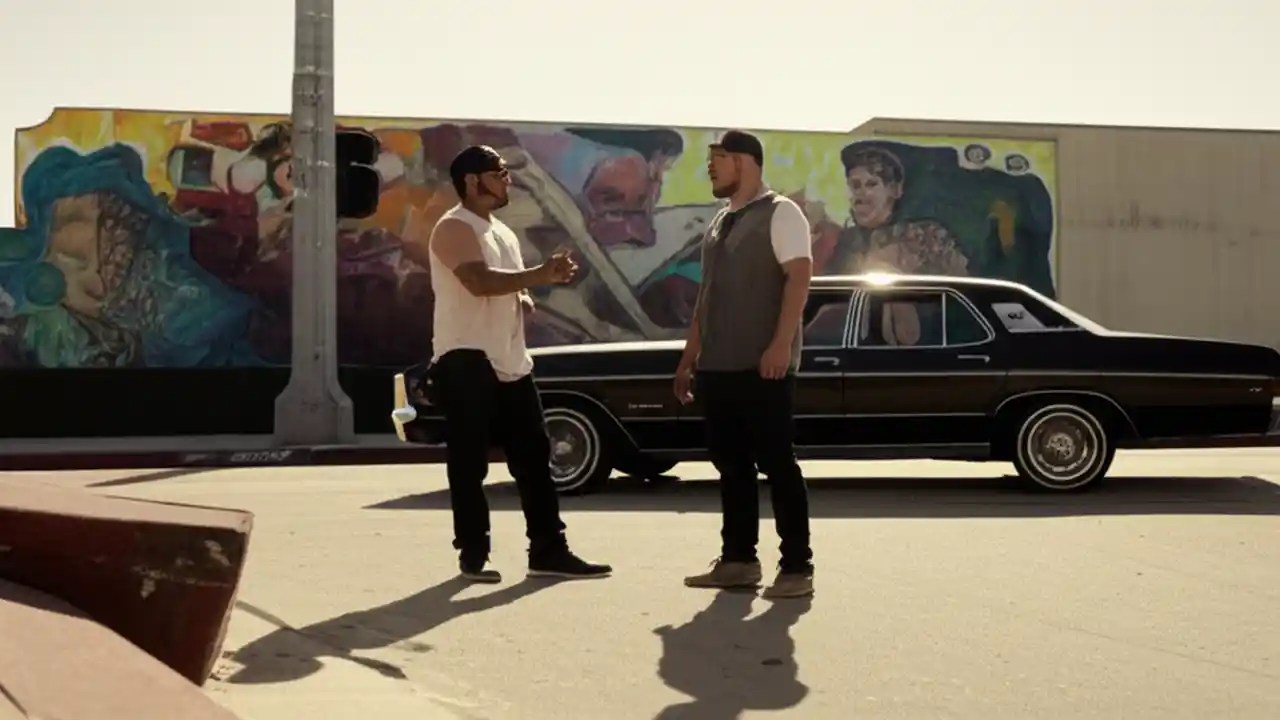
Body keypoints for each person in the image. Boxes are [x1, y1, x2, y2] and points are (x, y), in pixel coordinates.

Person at [425, 144, 612, 583]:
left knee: (534, 455)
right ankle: (474, 554)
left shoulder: (503, 233)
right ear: (472, 181)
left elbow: (505, 283)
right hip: (465, 356)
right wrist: (538, 276)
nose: (508, 179)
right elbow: (476, 281)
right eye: (499, 172)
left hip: (511, 360)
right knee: (470, 462)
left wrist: (526, 294)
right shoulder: (453, 227)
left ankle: (548, 550)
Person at [673, 130, 815, 599]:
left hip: (764, 367)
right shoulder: (718, 223)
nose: (710, 168)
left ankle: (796, 568)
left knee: (777, 463)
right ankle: (738, 561)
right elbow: (706, 297)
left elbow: (799, 278)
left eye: (718, 159)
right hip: (718, 366)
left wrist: (780, 345)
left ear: (745, 162)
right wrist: (689, 358)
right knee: (731, 467)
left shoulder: (781, 212)